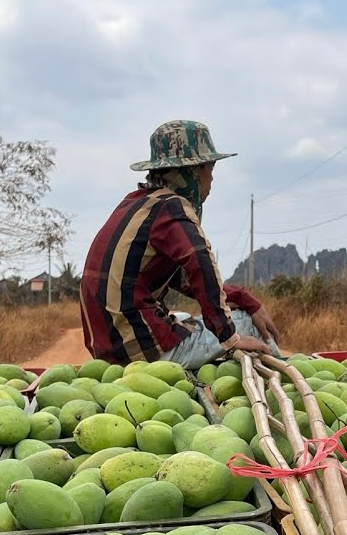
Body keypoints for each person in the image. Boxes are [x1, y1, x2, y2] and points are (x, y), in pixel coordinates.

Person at [80, 120, 280, 368]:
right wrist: (229, 337)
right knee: (246, 321)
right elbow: (200, 263)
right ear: (193, 172)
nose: (212, 181)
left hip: (110, 348)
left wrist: (242, 296)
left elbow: (185, 281)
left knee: (185, 318)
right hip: (143, 351)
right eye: (210, 170)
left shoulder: (136, 205)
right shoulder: (172, 207)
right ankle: (286, 378)